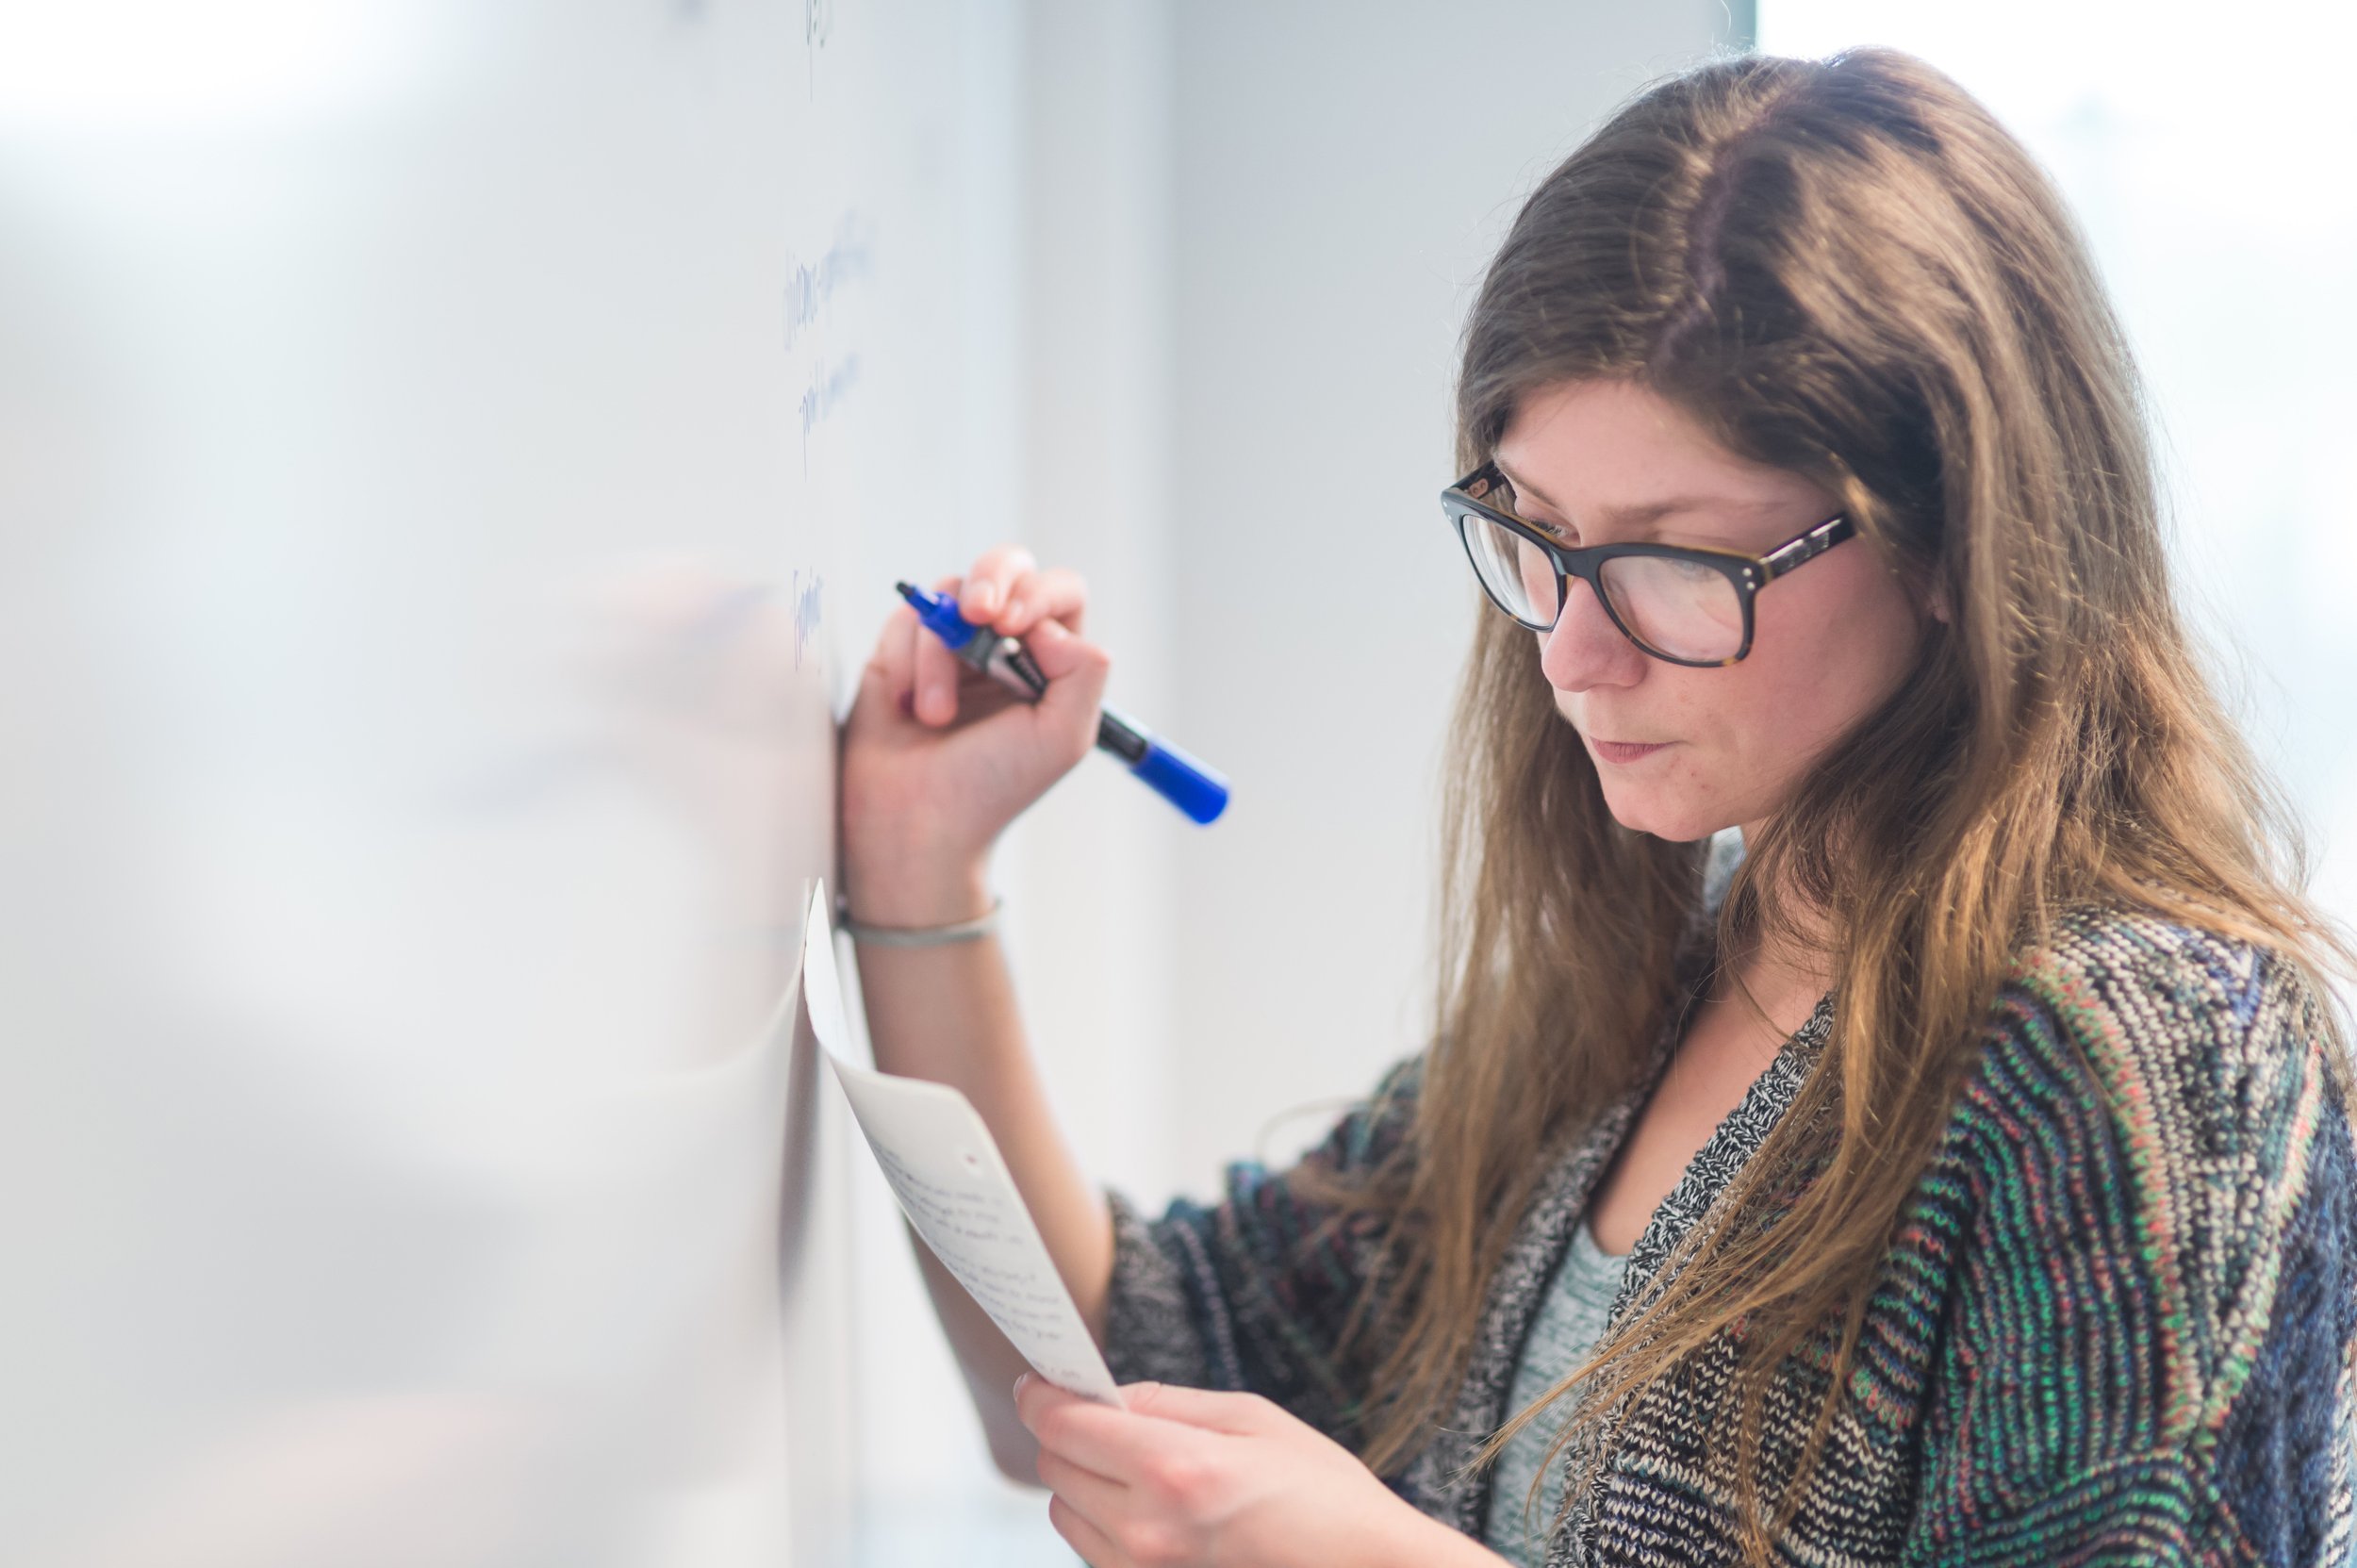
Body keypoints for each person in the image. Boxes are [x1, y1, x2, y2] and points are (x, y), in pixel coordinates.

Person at [834, 45, 2357, 1568]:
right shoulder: (1676, 965)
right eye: (1540, 535)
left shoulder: (2156, 1055)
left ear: (1955, 540)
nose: (1572, 653)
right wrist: (919, 864)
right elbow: (1120, 1367)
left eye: (1674, 561)